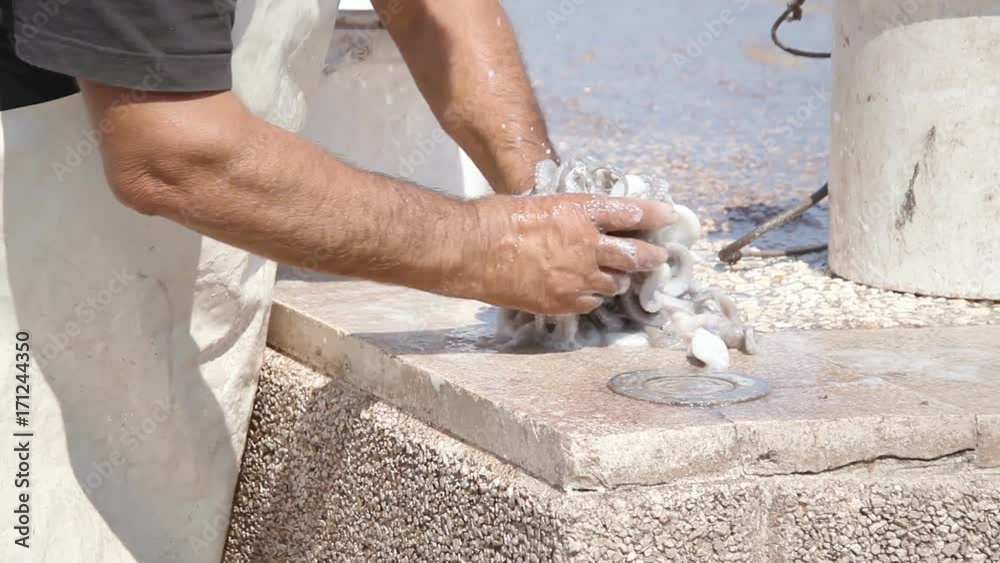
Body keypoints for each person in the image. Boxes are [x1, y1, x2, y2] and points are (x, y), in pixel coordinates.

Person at [0, 1, 674, 560]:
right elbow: (166, 152)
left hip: (169, 271)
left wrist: (536, 189)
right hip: (38, 259)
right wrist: (489, 246)